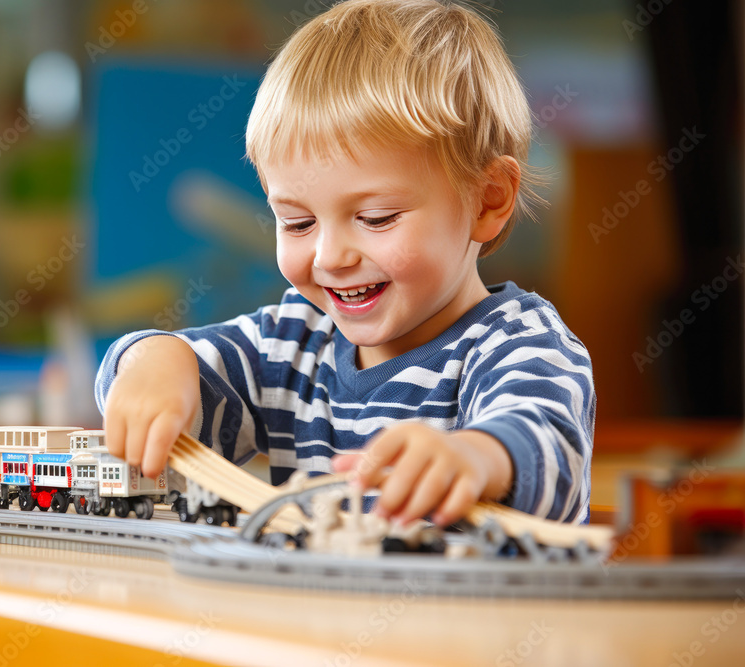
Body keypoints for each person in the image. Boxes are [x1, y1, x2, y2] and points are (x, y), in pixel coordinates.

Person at [95, 0, 596, 525]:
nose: (330, 257)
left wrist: (476, 457)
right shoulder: (293, 344)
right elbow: (178, 382)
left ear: (487, 200)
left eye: (376, 218)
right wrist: (153, 363)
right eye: (298, 223)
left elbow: (549, 450)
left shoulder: (521, 345)